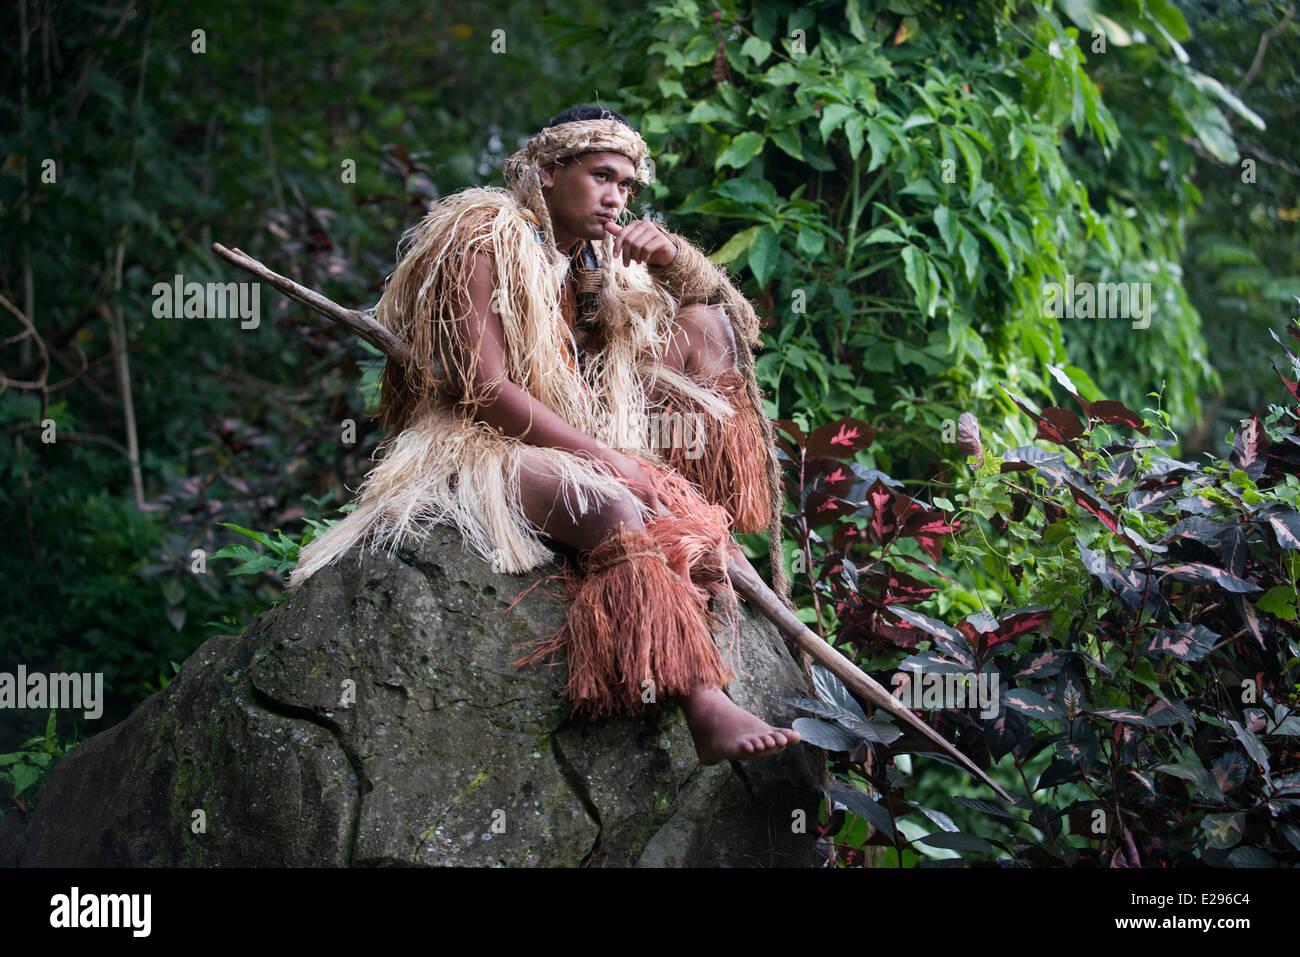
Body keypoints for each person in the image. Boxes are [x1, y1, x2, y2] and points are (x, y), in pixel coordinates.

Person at [289, 104, 799, 764]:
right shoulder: (480, 234)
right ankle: (704, 701)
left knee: (705, 326)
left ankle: (704, 517)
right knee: (610, 504)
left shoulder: (588, 263)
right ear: (550, 171)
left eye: (628, 186)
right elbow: (485, 390)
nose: (617, 197)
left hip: (568, 436)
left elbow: (737, 330)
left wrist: (677, 264)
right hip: (475, 444)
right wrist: (612, 461)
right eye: (603, 176)